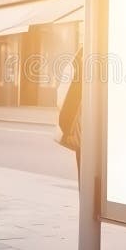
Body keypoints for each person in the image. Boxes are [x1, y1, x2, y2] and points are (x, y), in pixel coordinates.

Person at [56, 47, 82, 183]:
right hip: (83, 128)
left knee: (84, 172)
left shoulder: (78, 58)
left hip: (79, 128)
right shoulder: (83, 60)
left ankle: (86, 201)